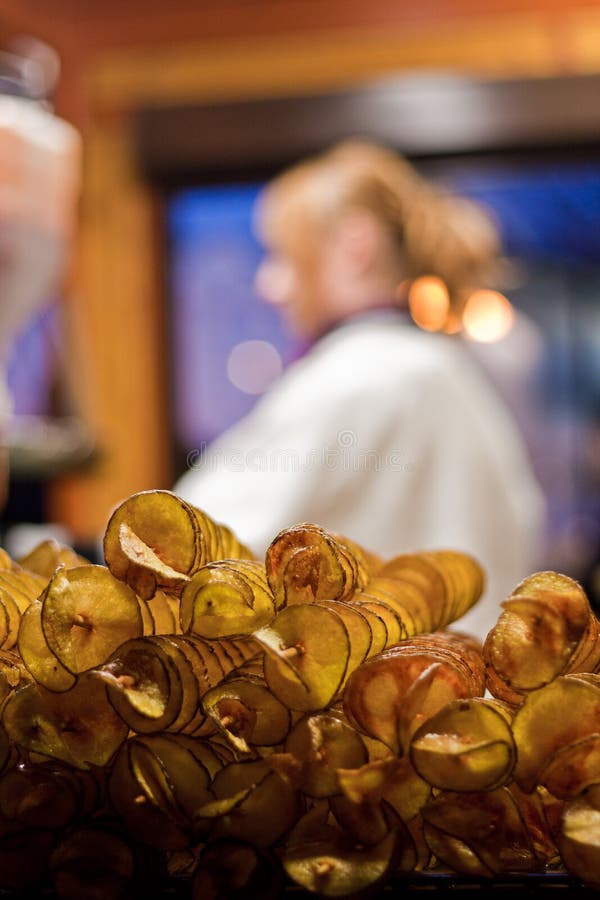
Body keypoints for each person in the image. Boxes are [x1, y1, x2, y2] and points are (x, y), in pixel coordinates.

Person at [174, 139, 547, 640]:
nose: (269, 285)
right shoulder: (443, 371)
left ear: (356, 244)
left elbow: (184, 545)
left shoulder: (359, 374)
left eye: (282, 256)